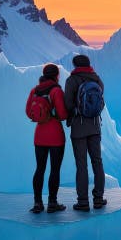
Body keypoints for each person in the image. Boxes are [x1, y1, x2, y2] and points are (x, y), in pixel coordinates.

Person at [64, 54, 107, 211]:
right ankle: (98, 198)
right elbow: (101, 102)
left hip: (78, 129)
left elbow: (68, 103)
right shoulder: (96, 79)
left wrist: (74, 113)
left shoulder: (72, 80)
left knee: (81, 165)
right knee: (97, 162)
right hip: (95, 127)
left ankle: (83, 201)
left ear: (75, 65)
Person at [25, 63, 69, 214]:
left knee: (40, 169)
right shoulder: (56, 91)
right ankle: (52, 203)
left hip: (39, 136)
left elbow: (28, 112)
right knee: (54, 170)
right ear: (56, 75)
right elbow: (63, 114)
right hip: (56, 136)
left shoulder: (35, 91)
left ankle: (37, 203)